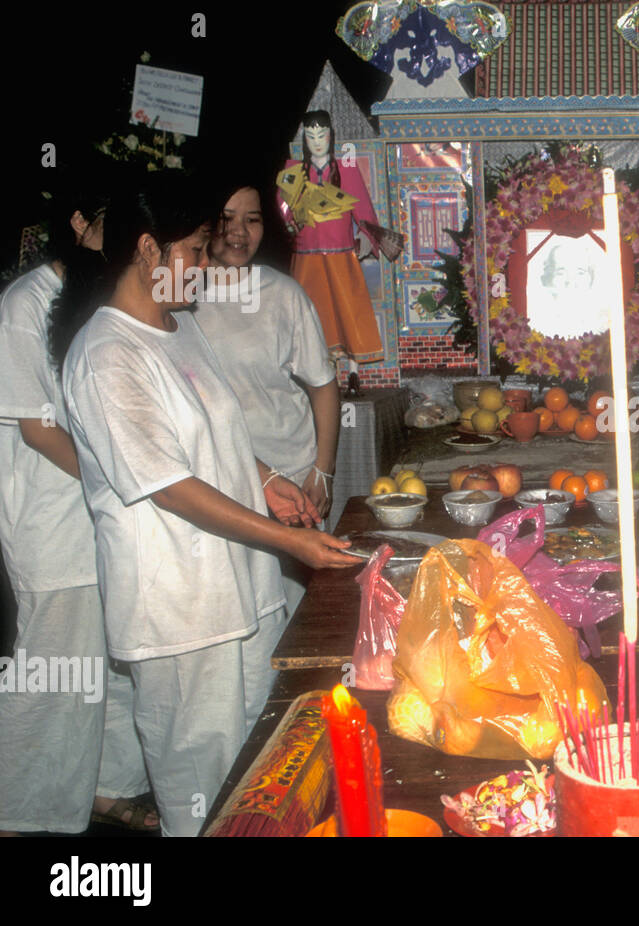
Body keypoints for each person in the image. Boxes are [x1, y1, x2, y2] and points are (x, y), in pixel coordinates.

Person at [52, 174, 357, 836]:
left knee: (258, 768)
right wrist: (291, 543)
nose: (205, 265)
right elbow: (169, 484)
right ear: (148, 251)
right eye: (193, 249)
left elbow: (213, 441)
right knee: (201, 791)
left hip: (239, 590)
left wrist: (268, 478)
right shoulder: (106, 356)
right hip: (182, 612)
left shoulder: (178, 328)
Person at [0, 189, 155, 834]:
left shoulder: (95, 293)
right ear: (78, 224)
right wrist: (124, 479)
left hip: (100, 512)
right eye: (109, 223)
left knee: (113, 662)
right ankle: (18, 810)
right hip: (51, 520)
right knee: (52, 672)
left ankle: (100, 788)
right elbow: (38, 429)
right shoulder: (22, 303)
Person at [197, 178, 341, 617]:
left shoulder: (282, 293)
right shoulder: (179, 294)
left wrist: (323, 470)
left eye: (253, 220)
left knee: (305, 614)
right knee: (240, 616)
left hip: (292, 479)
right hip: (218, 483)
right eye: (227, 219)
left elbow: (322, 385)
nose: (240, 232)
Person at [278, 110, 386, 365]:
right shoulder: (294, 170)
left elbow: (363, 207)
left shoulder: (344, 169)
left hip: (340, 251)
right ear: (304, 139)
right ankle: (320, 369)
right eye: (311, 136)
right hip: (307, 253)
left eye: (321, 135)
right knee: (311, 310)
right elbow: (282, 203)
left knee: (348, 310)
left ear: (331, 137)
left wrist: (369, 235)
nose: (316, 142)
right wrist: (289, 220)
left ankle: (352, 373)